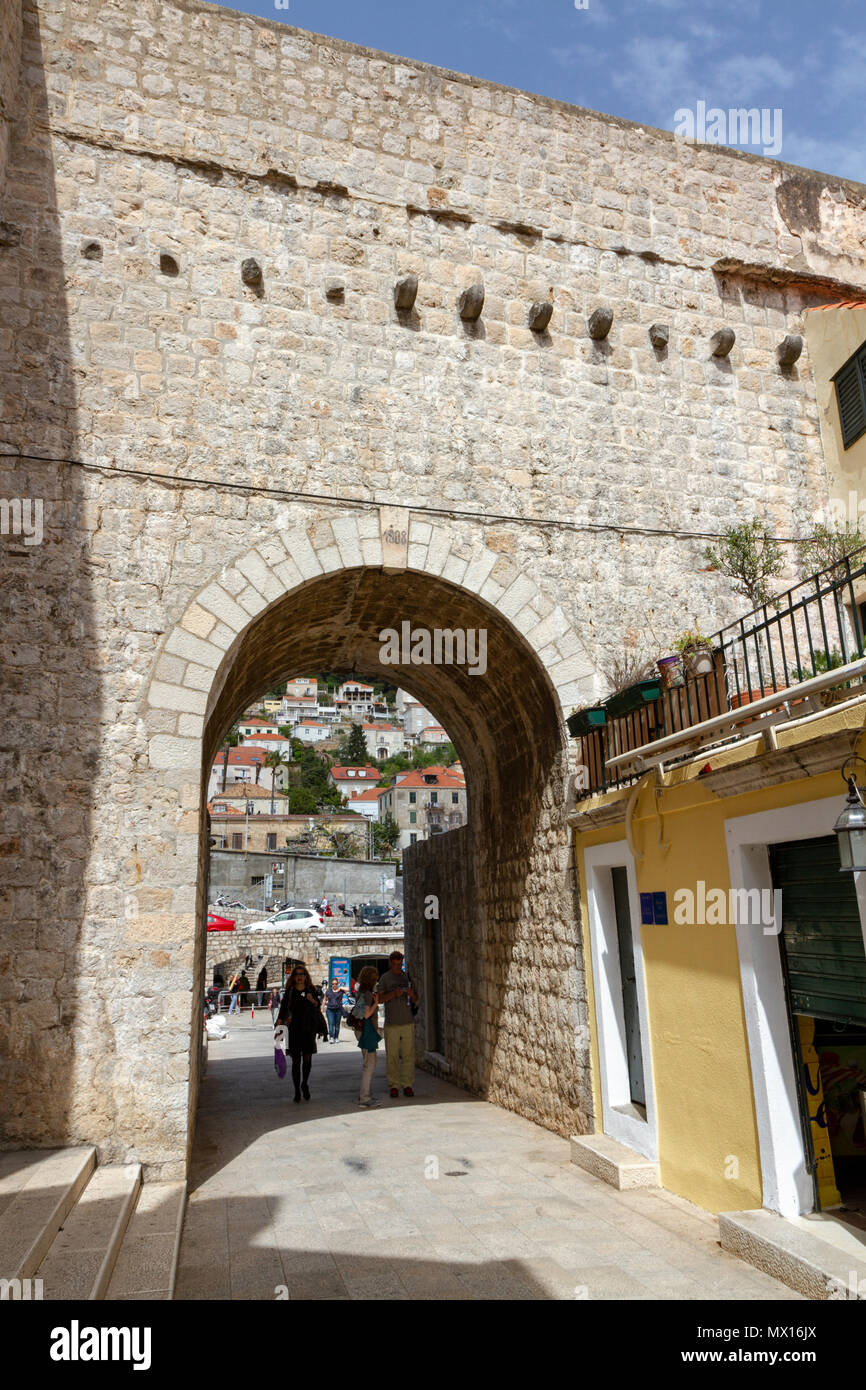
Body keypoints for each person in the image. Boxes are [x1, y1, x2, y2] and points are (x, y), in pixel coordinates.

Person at [276, 963, 326, 1102]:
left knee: (308, 1059)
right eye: (297, 974)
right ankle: (297, 1089)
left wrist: (312, 1000)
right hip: (294, 1029)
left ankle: (305, 1083)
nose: (299, 977)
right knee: (296, 1061)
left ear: (305, 976)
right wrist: (278, 1027)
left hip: (308, 1029)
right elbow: (283, 1010)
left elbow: (317, 1006)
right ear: (294, 977)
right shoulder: (290, 991)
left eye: (302, 974)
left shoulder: (311, 990)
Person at [376, 951, 419, 1098]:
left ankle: (408, 1085)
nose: (397, 967)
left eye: (399, 964)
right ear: (390, 963)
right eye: (394, 964)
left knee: (408, 1055)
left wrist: (410, 993)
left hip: (408, 1022)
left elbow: (415, 999)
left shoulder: (407, 977)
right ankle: (393, 1085)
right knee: (392, 1056)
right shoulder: (385, 978)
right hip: (392, 1023)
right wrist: (394, 994)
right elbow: (380, 999)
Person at [354, 966, 382, 1107]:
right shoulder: (368, 994)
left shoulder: (361, 992)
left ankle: (367, 1096)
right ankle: (364, 1098)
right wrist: (376, 1002)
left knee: (368, 1062)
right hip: (367, 1031)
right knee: (370, 1064)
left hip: (362, 1031)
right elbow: (366, 1014)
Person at [324, 977, 345, 1043]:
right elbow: (325, 999)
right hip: (330, 1010)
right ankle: (331, 1037)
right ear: (331, 984)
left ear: (337, 984)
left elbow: (347, 989)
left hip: (338, 1010)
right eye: (333, 984)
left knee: (337, 1024)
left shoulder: (340, 991)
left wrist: (340, 988)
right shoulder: (328, 991)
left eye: (335, 984)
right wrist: (322, 1008)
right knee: (331, 1024)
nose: (334, 985)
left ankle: (336, 1037)